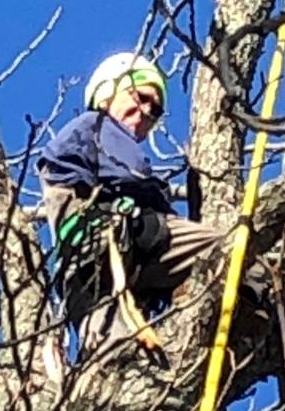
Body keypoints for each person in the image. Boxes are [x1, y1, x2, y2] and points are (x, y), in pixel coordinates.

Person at [38, 52, 269, 358]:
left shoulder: (87, 141)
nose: (147, 111)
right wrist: (165, 205)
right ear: (109, 92)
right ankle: (251, 301)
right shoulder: (97, 127)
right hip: (115, 236)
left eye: (155, 109)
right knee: (231, 247)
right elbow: (131, 178)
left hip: (82, 274)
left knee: (112, 355)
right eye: (141, 97)